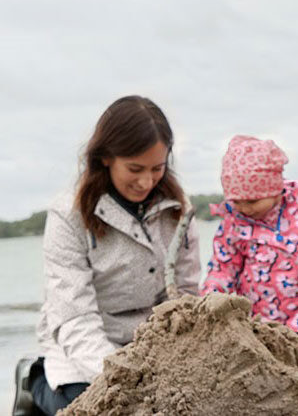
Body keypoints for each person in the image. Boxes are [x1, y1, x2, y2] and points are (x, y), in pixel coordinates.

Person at [12, 95, 202, 416]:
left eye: (157, 169)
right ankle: (33, 382)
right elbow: (73, 318)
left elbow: (185, 294)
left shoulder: (178, 209)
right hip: (80, 353)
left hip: (148, 344)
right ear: (105, 158)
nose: (146, 181)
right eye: (134, 169)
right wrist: (122, 374)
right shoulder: (68, 215)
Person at [200, 135, 298, 396]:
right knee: (271, 383)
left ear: (274, 188)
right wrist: (213, 296)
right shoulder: (234, 222)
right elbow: (224, 268)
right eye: (238, 201)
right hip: (266, 325)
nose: (245, 208)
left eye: (252, 201)